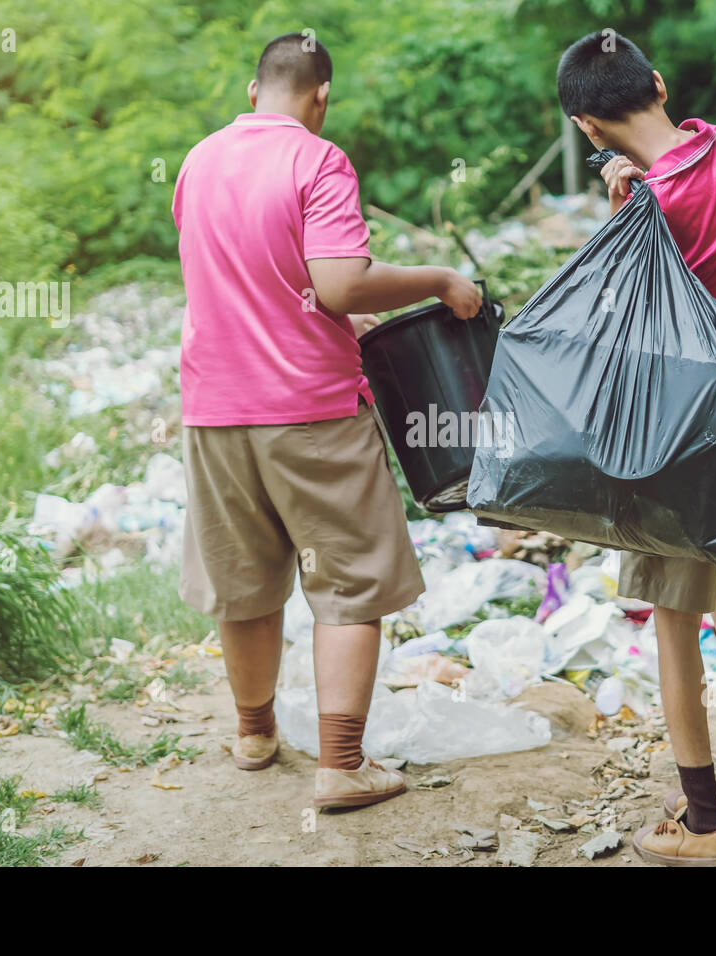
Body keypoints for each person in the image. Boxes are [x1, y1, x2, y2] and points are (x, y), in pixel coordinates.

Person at [172, 32, 482, 810]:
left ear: (253, 91)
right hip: (308, 409)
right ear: (321, 96)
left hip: (213, 407)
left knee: (243, 581)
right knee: (348, 581)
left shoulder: (199, 160)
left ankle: (253, 734)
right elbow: (339, 284)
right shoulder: (319, 159)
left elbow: (252, 280)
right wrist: (442, 281)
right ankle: (342, 765)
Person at [557, 31, 716, 865]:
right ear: (657, 83)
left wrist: (622, 206)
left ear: (587, 127)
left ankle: (701, 825)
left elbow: (616, 311)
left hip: (680, 446)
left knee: (671, 625)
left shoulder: (647, 204)